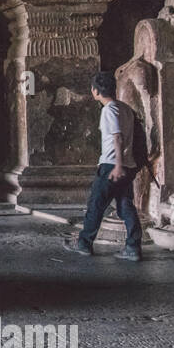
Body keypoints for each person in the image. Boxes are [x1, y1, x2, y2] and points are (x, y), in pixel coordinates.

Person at [64, 71, 142, 260]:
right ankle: (133, 247)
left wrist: (117, 165)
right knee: (125, 206)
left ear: (95, 91)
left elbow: (117, 137)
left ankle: (84, 243)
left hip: (112, 165)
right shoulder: (125, 108)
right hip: (128, 164)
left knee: (96, 205)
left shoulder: (109, 110)